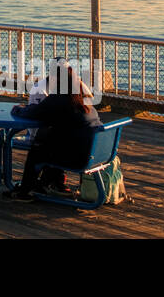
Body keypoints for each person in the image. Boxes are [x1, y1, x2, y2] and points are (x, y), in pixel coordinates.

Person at [8, 61, 101, 200]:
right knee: (52, 141)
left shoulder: (59, 98)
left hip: (78, 158)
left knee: (37, 150)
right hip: (95, 153)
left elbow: (34, 112)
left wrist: (17, 108)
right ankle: (49, 183)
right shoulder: (81, 98)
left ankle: (24, 192)